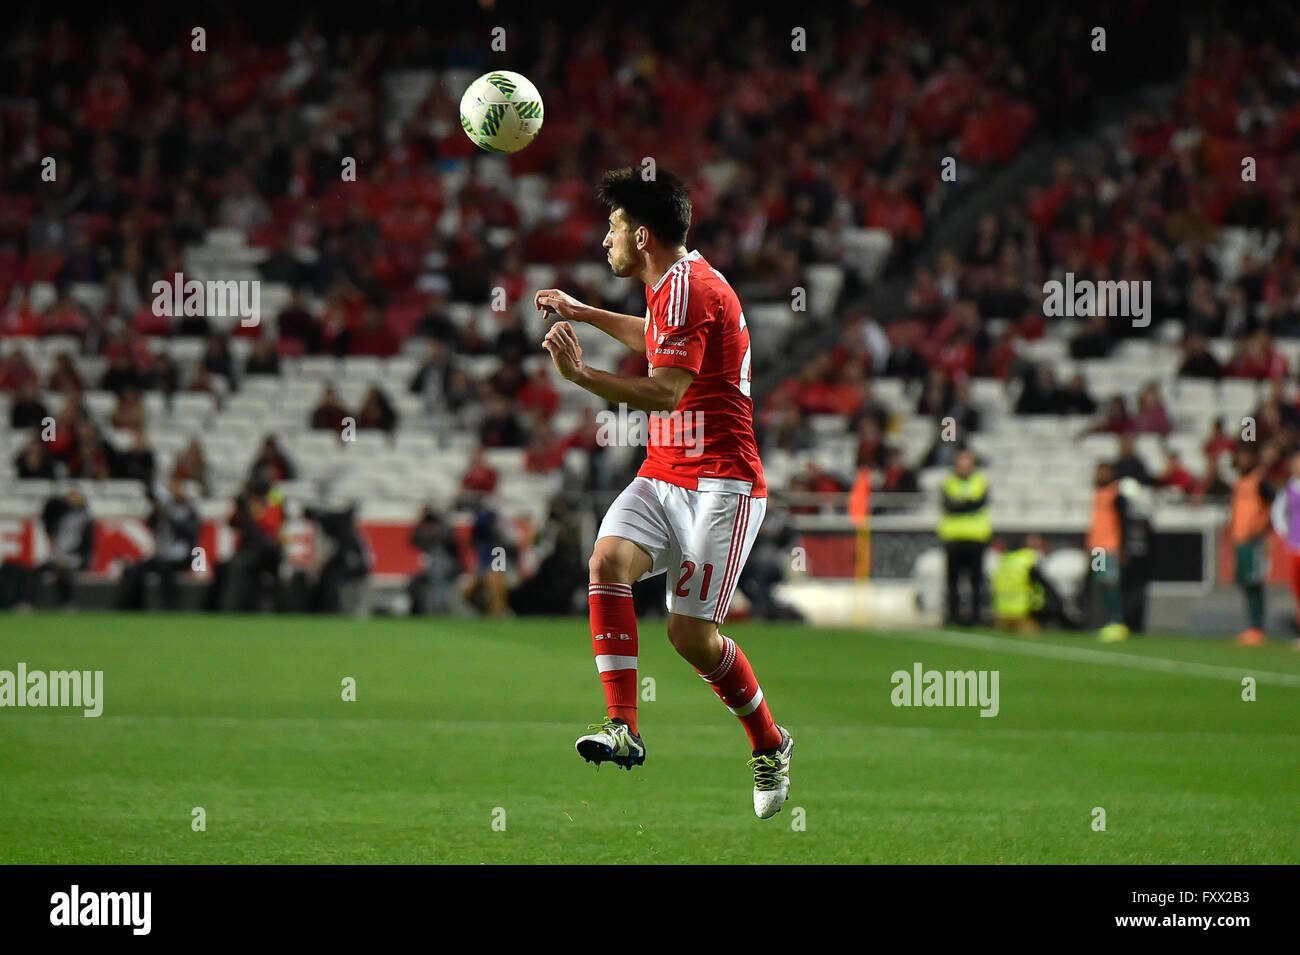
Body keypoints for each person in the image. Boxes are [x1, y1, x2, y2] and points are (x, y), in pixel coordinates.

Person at [533, 167, 791, 818]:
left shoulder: (690, 290)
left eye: (613, 227)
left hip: (721, 483)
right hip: (664, 469)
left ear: (642, 234)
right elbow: (655, 339)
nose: (605, 240)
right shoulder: (674, 283)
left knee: (689, 636)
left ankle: (768, 740)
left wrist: (581, 373)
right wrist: (583, 312)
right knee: (606, 563)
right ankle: (624, 727)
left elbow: (666, 390)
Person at [116, 477, 201, 610]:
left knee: (165, 568)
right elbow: (150, 524)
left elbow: (191, 532)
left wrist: (171, 516)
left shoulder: (189, 509)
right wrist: (156, 510)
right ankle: (129, 606)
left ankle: (168, 606)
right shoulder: (164, 508)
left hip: (182, 556)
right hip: (162, 555)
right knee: (133, 569)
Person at [938, 448, 991, 626]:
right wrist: (966, 502)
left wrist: (960, 503)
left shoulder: (981, 481)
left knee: (975, 581)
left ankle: (975, 617)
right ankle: (953, 616)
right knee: (952, 581)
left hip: (976, 539)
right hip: (953, 539)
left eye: (967, 461)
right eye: (961, 461)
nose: (964, 465)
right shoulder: (949, 481)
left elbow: (976, 503)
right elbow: (949, 505)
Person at [1231, 445, 1276, 645]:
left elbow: (1276, 504)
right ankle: (1251, 626)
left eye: (1245, 456)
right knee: (1246, 584)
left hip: (1255, 540)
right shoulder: (1240, 483)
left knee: (1255, 583)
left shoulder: (1260, 481)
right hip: (1241, 540)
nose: (1242, 460)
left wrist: (1264, 528)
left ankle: (1258, 627)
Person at [991, 534, 1075, 635]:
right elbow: (1045, 584)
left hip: (1001, 613)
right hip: (1023, 612)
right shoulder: (1029, 558)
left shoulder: (1004, 560)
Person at [1086, 461, 1128, 642]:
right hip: (1098, 549)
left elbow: (1123, 522)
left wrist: (1122, 548)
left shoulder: (1116, 494)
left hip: (1110, 547)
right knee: (1100, 585)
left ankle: (1116, 623)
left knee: (1112, 585)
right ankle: (1102, 622)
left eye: (1104, 471)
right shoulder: (1098, 493)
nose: (1101, 475)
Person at [1269, 450, 1300, 642]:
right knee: (1298, 592)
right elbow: (1277, 513)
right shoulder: (1287, 490)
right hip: (1295, 546)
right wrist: (1285, 533)